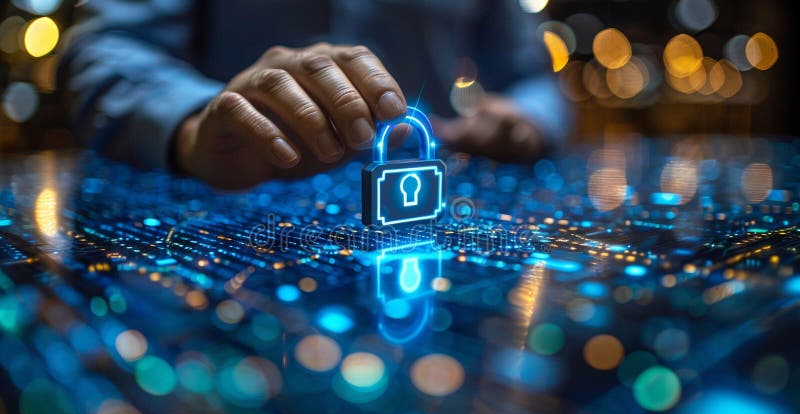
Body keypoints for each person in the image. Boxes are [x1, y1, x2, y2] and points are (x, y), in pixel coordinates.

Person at [59, 0, 570, 189]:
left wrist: (526, 116)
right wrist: (192, 126)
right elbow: (102, 51)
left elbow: (534, 77)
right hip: (235, 195)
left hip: (431, 203)